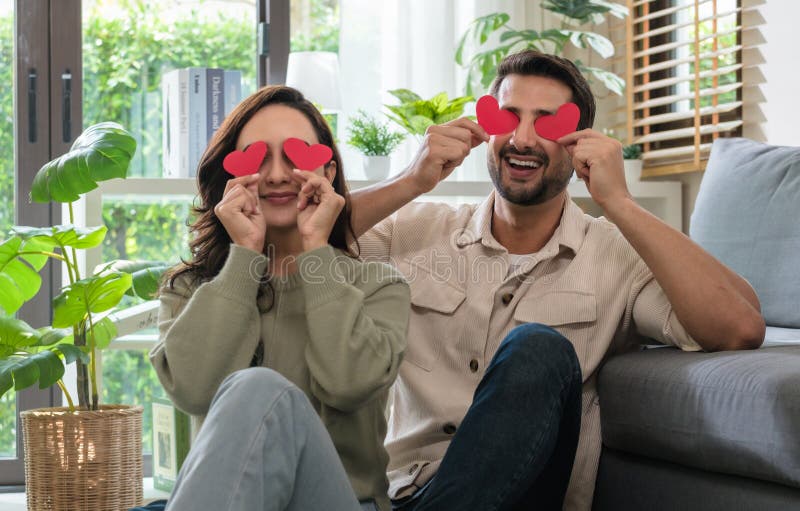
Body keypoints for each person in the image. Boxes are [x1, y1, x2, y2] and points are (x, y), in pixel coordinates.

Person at [347, 50, 765, 510]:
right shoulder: (415, 230)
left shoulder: (618, 257)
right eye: (507, 118)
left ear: (579, 142)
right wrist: (410, 180)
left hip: (527, 497)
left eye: (546, 124)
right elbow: (302, 247)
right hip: (409, 493)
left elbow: (739, 326)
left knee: (537, 348)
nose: (521, 139)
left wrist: (620, 203)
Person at [149, 85, 410, 511]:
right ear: (228, 177)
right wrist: (244, 258)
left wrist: (316, 251)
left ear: (326, 173)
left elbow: (349, 384)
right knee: (253, 389)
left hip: (343, 502)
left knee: (258, 387)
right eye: (255, 158)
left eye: (296, 156)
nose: (274, 175)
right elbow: (194, 392)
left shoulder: (380, 287)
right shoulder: (189, 289)